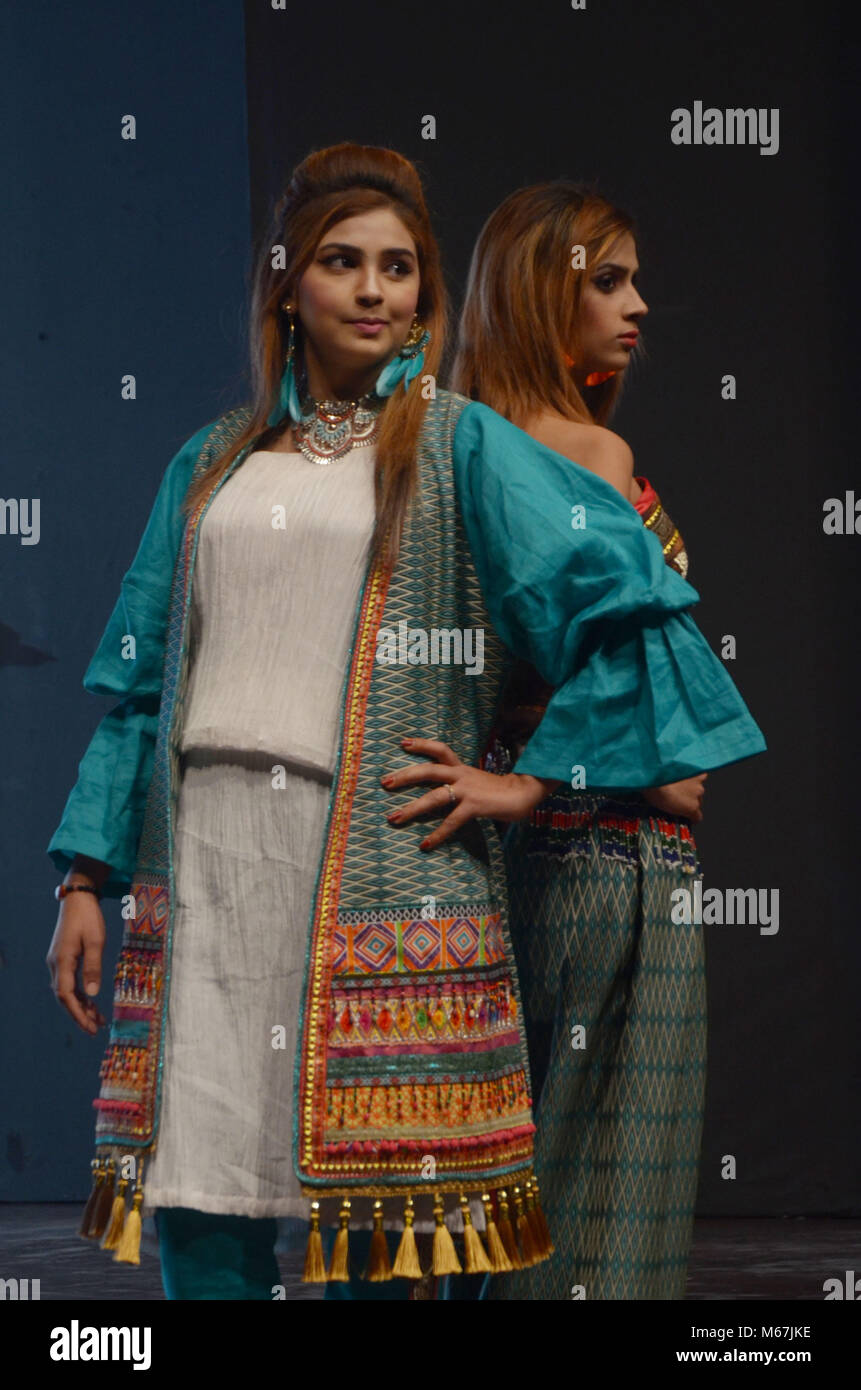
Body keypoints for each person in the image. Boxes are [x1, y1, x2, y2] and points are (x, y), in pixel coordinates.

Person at [45, 147, 765, 1301]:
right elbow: (138, 688)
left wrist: (535, 779)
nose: (377, 290)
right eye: (344, 263)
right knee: (203, 1177)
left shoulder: (458, 444)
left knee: (382, 1212)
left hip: (378, 859)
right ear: (288, 285)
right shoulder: (213, 457)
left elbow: (626, 603)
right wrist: (86, 875)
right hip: (210, 858)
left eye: (400, 268)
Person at [450, 179, 757, 1299]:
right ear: (542, 294)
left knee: (517, 1189)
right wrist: (613, 769)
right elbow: (624, 655)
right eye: (609, 280)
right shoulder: (586, 449)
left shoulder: (459, 444)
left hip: (516, 874)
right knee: (608, 1209)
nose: (639, 306)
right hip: (620, 857)